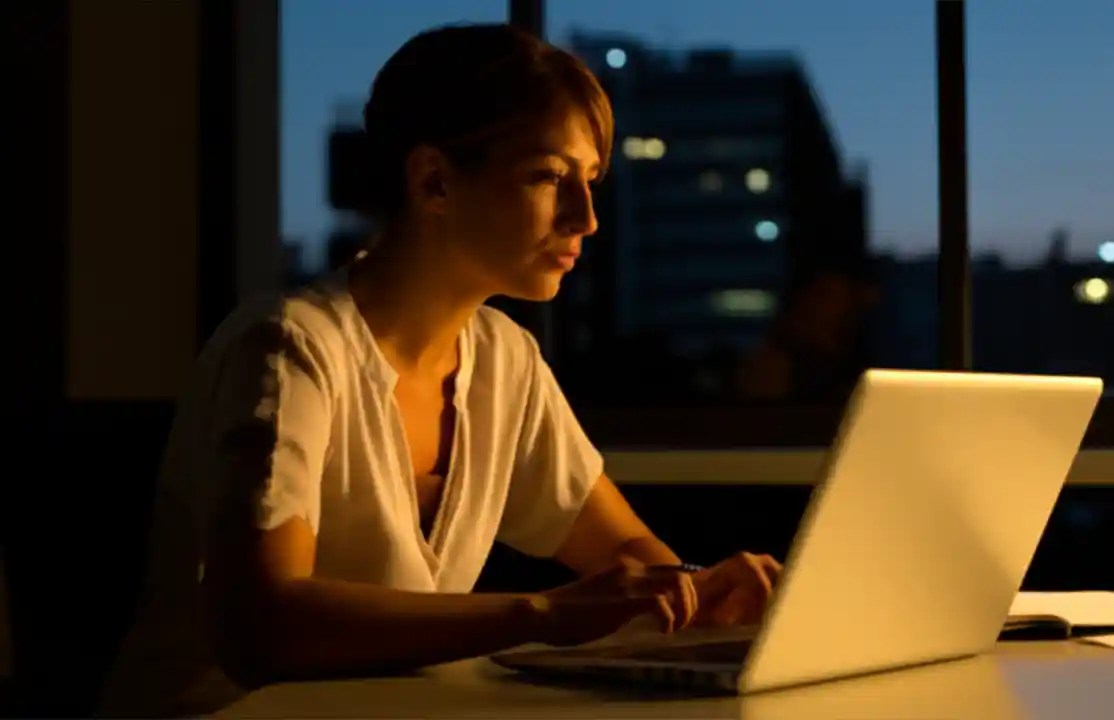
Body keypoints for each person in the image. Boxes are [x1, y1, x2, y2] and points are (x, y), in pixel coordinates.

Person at [98, 23, 781, 717]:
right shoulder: (289, 349)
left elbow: (626, 552)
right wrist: (543, 614)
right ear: (434, 181)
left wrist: (697, 590)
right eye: (548, 176)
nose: (587, 218)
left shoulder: (504, 360)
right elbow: (260, 627)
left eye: (592, 181)